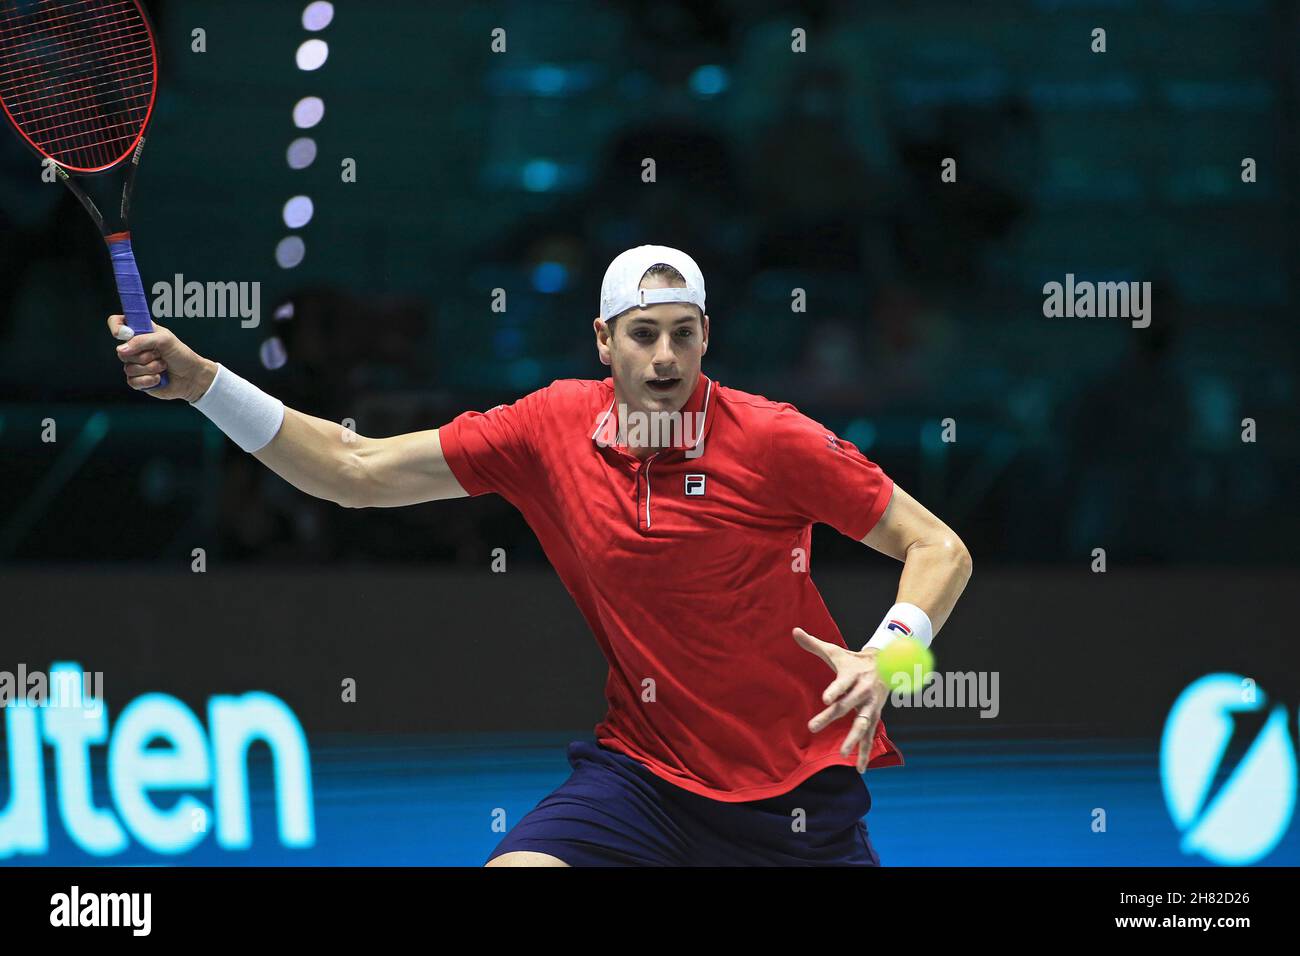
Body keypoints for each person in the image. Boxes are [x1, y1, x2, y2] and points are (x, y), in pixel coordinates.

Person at [108, 245, 972, 866]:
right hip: (643, 780)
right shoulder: (546, 428)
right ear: (604, 341)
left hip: (793, 800)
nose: (665, 357)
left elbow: (938, 546)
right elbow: (352, 469)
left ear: (708, 338)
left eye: (683, 333)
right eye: (643, 334)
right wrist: (204, 383)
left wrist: (890, 654)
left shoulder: (775, 439)